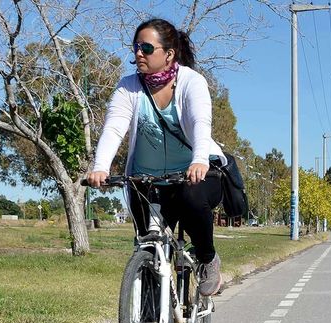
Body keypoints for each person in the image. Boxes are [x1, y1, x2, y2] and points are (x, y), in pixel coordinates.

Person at [87, 18, 226, 296]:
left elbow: (201, 121)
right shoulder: (129, 87)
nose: (139, 53)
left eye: (147, 48)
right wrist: (100, 166)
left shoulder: (191, 82)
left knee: (192, 196)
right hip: (146, 179)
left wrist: (199, 160)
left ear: (169, 54)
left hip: (193, 175)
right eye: (136, 47)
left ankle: (207, 258)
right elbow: (114, 126)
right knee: (148, 250)